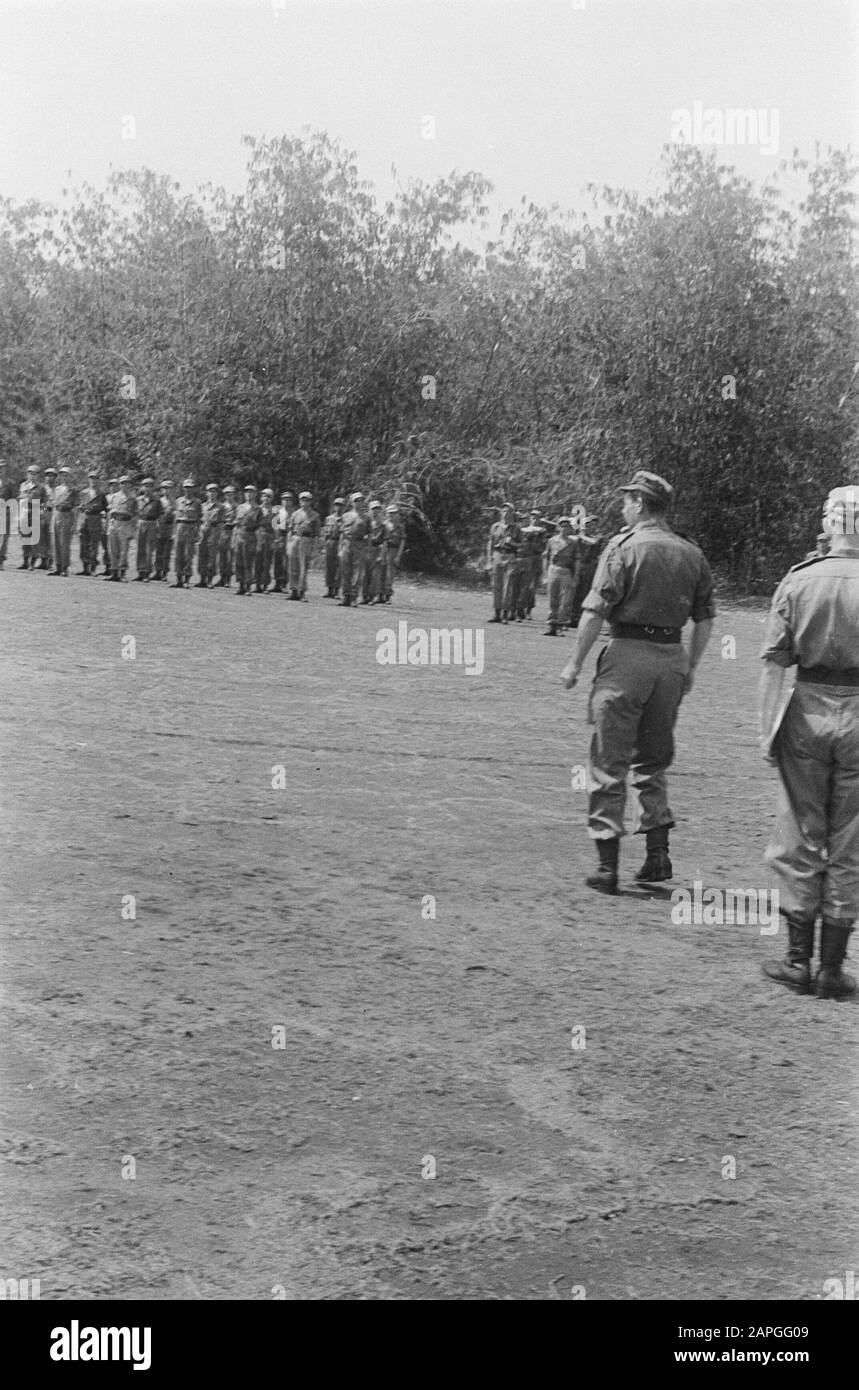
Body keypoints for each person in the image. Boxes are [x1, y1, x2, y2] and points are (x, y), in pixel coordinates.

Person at [561, 469, 715, 893]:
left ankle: (608, 866)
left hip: (627, 657)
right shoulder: (691, 553)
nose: (623, 506)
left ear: (641, 505)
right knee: (654, 758)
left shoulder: (622, 547)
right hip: (671, 660)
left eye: (627, 500)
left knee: (609, 758)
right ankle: (657, 855)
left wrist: (574, 663)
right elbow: (705, 619)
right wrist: (690, 667)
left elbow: (595, 611)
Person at [759, 485, 859, 1000]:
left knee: (801, 830)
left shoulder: (799, 580)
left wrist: (764, 729)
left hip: (807, 705)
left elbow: (775, 661)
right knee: (850, 839)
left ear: (830, 522)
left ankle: (798, 960)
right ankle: (833, 968)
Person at [486, 502, 522, 623]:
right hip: (497, 554)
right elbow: (490, 543)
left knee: (508, 586)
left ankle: (505, 615)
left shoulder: (517, 528)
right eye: (503, 511)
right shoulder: (495, 526)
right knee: (496, 585)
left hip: (510, 555)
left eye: (508, 511)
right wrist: (489, 560)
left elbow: (522, 545)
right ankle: (496, 613)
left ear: (512, 513)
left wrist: (512, 543)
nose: (505, 513)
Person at [543, 517, 579, 636]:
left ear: (570, 529)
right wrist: (545, 575)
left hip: (566, 571)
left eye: (567, 526)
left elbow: (577, 561)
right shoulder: (552, 541)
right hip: (553, 569)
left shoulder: (573, 543)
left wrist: (575, 577)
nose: (564, 528)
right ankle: (551, 625)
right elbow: (546, 558)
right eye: (562, 526)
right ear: (558, 527)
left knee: (565, 600)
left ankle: (560, 625)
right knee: (552, 598)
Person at [287, 490, 321, 599]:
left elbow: (317, 534)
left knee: (303, 567)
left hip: (307, 540)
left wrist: (315, 548)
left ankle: (301, 591)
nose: (304, 502)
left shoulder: (315, 515)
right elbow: (290, 529)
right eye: (302, 499)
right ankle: (293, 590)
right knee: (293, 566)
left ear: (310, 501)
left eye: (307, 500)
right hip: (295, 539)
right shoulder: (295, 514)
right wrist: (288, 544)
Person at [338, 493, 369, 606]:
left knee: (357, 573)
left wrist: (367, 549)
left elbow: (369, 534)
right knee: (345, 571)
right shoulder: (346, 516)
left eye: (361, 500)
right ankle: (345, 596)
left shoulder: (366, 517)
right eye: (356, 500)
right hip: (346, 544)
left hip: (360, 545)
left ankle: (354, 597)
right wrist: (340, 549)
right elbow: (341, 532)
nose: (359, 502)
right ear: (351, 502)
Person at [106, 475, 138, 581]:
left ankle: (122, 572)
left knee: (123, 550)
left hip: (125, 524)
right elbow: (109, 511)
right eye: (123, 483)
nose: (125, 485)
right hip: (114, 523)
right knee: (113, 549)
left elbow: (135, 514)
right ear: (120, 485)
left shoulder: (133, 499)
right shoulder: (113, 496)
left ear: (130, 485)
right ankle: (114, 572)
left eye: (127, 483)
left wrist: (133, 528)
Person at [172, 478, 202, 588]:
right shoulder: (179, 501)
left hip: (191, 527)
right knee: (178, 554)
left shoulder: (198, 502)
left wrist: (198, 532)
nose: (188, 489)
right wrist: (174, 532)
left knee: (188, 554)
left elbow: (199, 519)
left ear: (193, 489)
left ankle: (187, 579)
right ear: (183, 488)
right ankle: (178, 579)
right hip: (180, 527)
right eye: (186, 487)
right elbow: (176, 517)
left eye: (190, 487)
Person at [49, 466, 78, 575]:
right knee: (55, 542)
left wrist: (74, 524)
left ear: (70, 477)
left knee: (64, 543)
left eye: (66, 475)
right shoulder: (56, 489)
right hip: (56, 514)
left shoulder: (73, 490)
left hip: (67, 515)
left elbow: (75, 508)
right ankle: (57, 566)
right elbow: (52, 504)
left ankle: (65, 568)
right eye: (62, 475)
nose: (64, 477)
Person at [518, 508, 547, 618]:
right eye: (533, 517)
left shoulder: (542, 530)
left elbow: (541, 537)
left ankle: (529, 610)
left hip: (536, 559)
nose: (534, 519)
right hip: (526, 558)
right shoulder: (524, 529)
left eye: (537, 518)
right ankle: (519, 609)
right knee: (522, 585)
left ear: (540, 519)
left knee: (532, 587)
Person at [234, 484, 262, 595]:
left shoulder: (258, 509)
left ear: (255, 494)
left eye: (251, 492)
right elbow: (237, 524)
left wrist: (259, 543)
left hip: (251, 536)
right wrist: (234, 538)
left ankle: (248, 585)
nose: (248, 494)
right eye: (246, 492)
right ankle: (240, 585)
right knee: (238, 561)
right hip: (240, 535)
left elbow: (260, 527)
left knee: (249, 562)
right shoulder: (240, 507)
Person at [78, 470, 107, 575]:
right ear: (88, 480)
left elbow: (106, 509)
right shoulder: (84, 492)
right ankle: (85, 568)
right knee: (83, 543)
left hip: (95, 519)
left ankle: (93, 567)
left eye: (95, 478)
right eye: (91, 478)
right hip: (84, 518)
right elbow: (79, 506)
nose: (93, 481)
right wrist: (81, 508)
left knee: (94, 544)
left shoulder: (102, 494)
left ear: (98, 480)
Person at [135, 477, 163, 581]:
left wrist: (159, 529)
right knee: (140, 548)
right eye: (146, 486)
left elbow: (160, 516)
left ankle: (147, 572)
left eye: (150, 486)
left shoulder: (157, 501)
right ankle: (140, 572)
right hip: (141, 523)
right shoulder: (138, 500)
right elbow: (135, 513)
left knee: (149, 549)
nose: (147, 488)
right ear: (142, 487)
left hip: (152, 524)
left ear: (153, 488)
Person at [196, 483, 223, 587]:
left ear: (217, 493)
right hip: (203, 531)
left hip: (214, 530)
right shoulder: (202, 506)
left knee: (211, 556)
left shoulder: (221, 506)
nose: (212, 493)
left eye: (214, 491)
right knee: (201, 554)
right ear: (206, 493)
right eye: (210, 491)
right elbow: (199, 520)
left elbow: (222, 522)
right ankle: (202, 578)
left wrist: (219, 535)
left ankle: (209, 579)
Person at [18, 466, 45, 569]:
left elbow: (44, 502)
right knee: (24, 539)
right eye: (30, 473)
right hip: (24, 513)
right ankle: (25, 561)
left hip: (35, 513)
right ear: (27, 474)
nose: (32, 475)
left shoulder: (41, 487)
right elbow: (20, 499)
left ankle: (32, 563)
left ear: (38, 475)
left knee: (34, 540)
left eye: (35, 473)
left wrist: (43, 513)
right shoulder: (22, 485)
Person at [363, 500, 388, 603]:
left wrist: (381, 555)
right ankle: (364, 596)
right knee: (364, 575)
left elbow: (385, 541)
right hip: (366, 549)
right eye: (373, 509)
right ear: (369, 510)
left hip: (377, 549)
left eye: (377, 509)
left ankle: (372, 597)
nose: (375, 511)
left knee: (375, 576)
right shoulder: (366, 523)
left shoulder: (383, 525)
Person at [215, 484, 237, 587]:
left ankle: (228, 578)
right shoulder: (221, 506)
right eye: (227, 494)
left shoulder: (237, 506)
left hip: (232, 531)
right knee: (222, 556)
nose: (229, 496)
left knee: (230, 557)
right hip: (222, 531)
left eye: (231, 494)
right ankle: (222, 577)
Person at [383, 502, 405, 603]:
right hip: (384, 549)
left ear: (397, 514)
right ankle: (379, 595)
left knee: (390, 574)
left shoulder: (400, 527)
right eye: (390, 513)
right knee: (381, 572)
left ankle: (388, 595)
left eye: (394, 513)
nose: (392, 515)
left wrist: (398, 555)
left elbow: (402, 541)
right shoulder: (384, 524)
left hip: (394, 550)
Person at [273, 491, 295, 592]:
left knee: (286, 561)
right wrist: (276, 538)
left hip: (289, 536)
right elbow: (275, 525)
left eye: (289, 500)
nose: (286, 502)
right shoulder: (278, 512)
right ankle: (277, 582)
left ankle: (285, 583)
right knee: (277, 560)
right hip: (279, 536)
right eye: (284, 499)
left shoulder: (294, 513)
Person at [322, 497, 345, 597]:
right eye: (336, 505)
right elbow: (325, 534)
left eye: (340, 505)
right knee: (329, 567)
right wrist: (324, 547)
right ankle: (329, 588)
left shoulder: (346, 519)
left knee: (339, 567)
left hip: (340, 543)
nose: (338, 507)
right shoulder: (329, 518)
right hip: (330, 543)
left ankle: (336, 589)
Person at [154, 480, 176, 581]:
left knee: (167, 552)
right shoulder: (159, 501)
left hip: (170, 528)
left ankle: (165, 573)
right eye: (164, 488)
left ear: (172, 489)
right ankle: (157, 571)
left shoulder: (176, 502)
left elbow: (177, 518)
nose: (166, 490)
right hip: (160, 527)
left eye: (169, 488)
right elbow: (156, 515)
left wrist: (174, 532)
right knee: (159, 551)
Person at [255, 488, 275, 592]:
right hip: (258, 535)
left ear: (271, 498)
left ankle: (265, 585)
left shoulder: (275, 511)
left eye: (268, 496)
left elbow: (277, 527)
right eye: (264, 496)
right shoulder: (257, 509)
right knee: (257, 561)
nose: (266, 498)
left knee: (267, 562)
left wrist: (275, 540)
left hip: (269, 536)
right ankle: (257, 584)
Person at [0, 459, 16, 569]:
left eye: (3, 467)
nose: (1, 469)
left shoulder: (10, 483)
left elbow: (13, 498)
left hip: (5, 512)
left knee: (3, 538)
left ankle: (0, 560)